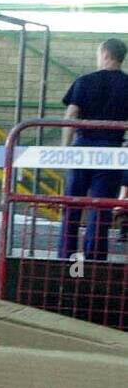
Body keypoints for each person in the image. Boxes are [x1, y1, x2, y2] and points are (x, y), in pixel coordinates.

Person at [57, 37, 128, 262]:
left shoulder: (84, 81)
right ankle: (95, 262)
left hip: (82, 151)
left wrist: (64, 151)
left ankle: (65, 260)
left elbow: (70, 116)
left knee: (72, 207)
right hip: (112, 154)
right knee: (101, 210)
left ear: (105, 54)